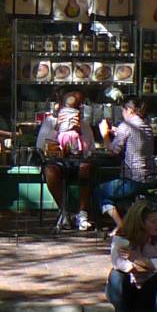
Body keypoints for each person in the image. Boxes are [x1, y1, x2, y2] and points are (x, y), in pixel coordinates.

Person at [94, 97, 155, 226]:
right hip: (149, 177)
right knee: (120, 193)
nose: (122, 114)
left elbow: (113, 151)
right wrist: (117, 131)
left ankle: (120, 225)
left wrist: (104, 133)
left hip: (133, 179)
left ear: (129, 110)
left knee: (99, 191)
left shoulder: (126, 126)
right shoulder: (147, 126)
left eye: (123, 111)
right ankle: (129, 222)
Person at [40, 91, 96, 231]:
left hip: (77, 162)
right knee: (50, 171)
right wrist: (57, 130)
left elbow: (90, 149)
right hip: (57, 162)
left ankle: (82, 214)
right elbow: (40, 145)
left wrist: (79, 135)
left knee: (85, 168)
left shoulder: (83, 125)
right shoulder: (50, 122)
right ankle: (64, 211)